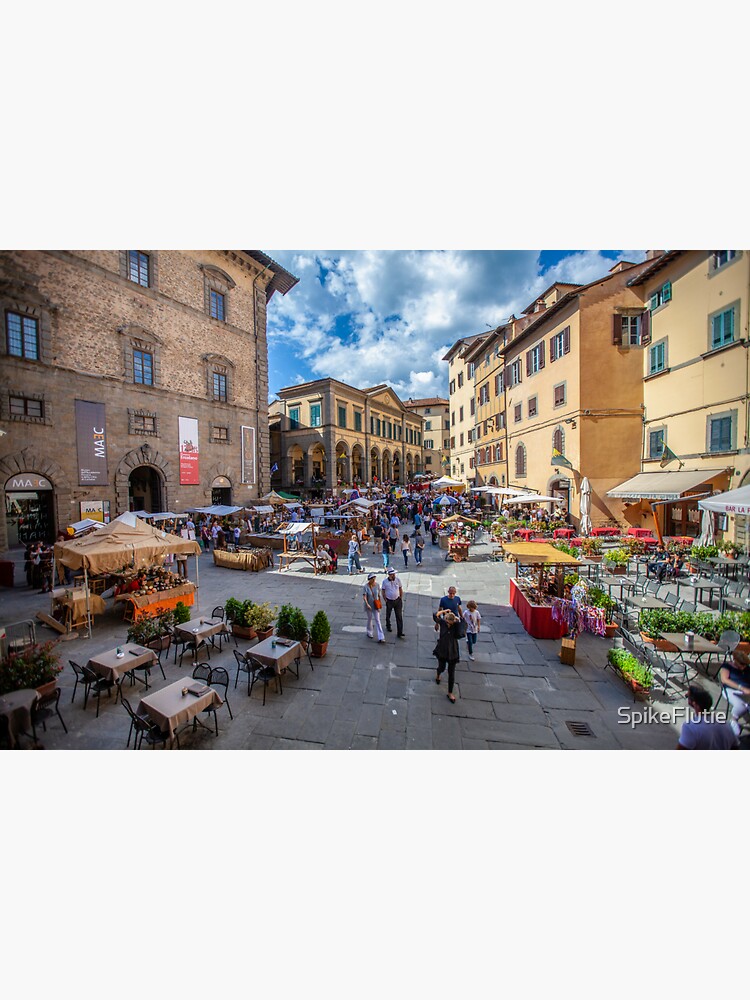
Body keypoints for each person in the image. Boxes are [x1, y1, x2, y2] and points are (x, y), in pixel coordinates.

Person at [677, 684, 738, 749]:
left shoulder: (690, 727)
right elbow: (735, 747)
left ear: (694, 703)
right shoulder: (726, 723)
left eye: (688, 697)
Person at [719, 648, 750, 738]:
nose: (743, 666)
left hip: (747, 692)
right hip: (731, 690)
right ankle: (734, 720)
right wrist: (741, 688)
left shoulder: (747, 669)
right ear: (735, 660)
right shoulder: (727, 666)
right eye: (741, 664)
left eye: (745, 664)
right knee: (741, 705)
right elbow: (724, 680)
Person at [433, 608, 462, 703]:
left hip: (452, 652)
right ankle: (438, 674)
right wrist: (443, 611)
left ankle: (450, 692)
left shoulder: (456, 626)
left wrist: (457, 619)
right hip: (442, 650)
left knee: (451, 673)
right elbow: (435, 615)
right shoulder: (442, 623)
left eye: (451, 623)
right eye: (448, 622)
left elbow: (462, 629)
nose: (449, 624)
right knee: (441, 667)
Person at [381, 566, 405, 638]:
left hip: (397, 600)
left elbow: (400, 588)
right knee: (388, 614)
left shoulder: (398, 580)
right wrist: (385, 600)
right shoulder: (385, 582)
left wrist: (400, 597)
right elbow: (383, 591)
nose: (394, 575)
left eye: (394, 574)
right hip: (389, 600)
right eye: (392, 574)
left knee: (399, 616)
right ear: (389, 575)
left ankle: (400, 632)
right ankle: (388, 625)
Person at [362, 572, 385, 642]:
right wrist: (367, 604)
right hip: (369, 605)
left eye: (374, 578)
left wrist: (379, 604)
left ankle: (381, 636)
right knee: (369, 618)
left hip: (375, 605)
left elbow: (378, 595)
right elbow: (364, 596)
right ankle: (369, 631)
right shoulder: (366, 587)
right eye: (372, 579)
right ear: (369, 579)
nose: (373, 580)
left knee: (378, 620)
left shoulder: (377, 585)